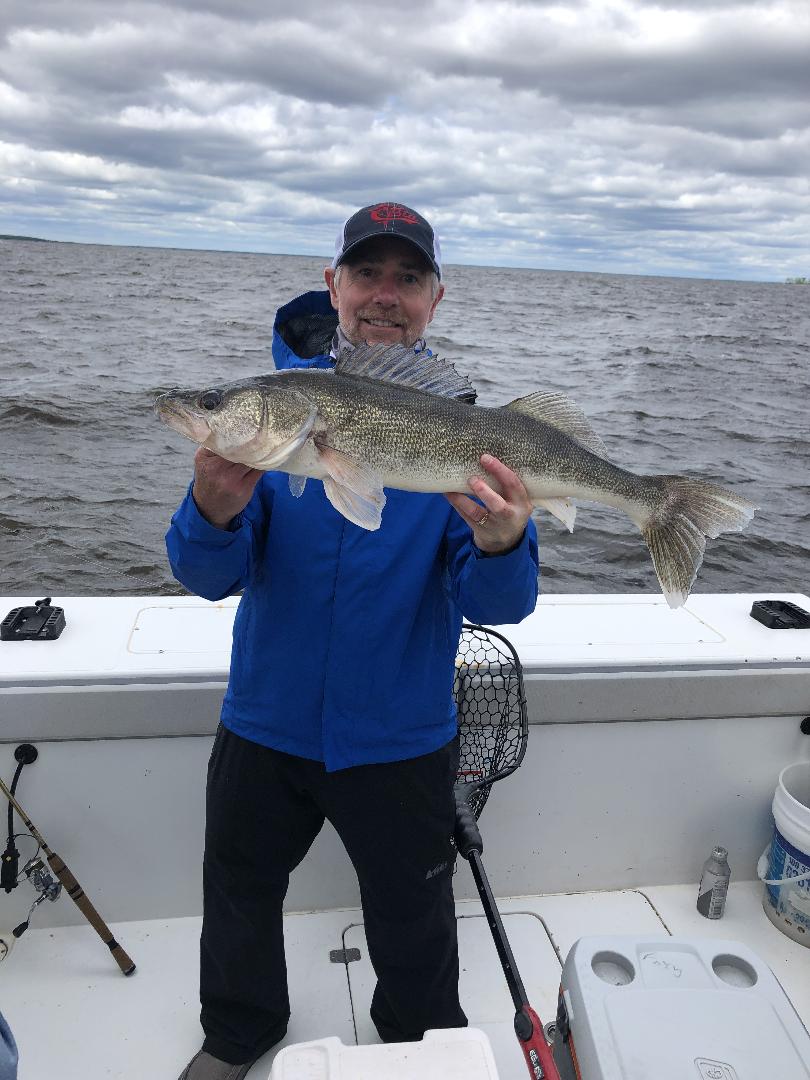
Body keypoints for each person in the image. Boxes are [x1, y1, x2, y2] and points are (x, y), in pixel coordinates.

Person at [168, 201, 540, 1080]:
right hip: (266, 721)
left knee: (413, 913)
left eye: (407, 277)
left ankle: (421, 1041)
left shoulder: (461, 439)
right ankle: (238, 1029)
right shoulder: (278, 422)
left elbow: (501, 601)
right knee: (239, 889)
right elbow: (207, 574)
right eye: (367, 273)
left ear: (436, 299)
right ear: (333, 286)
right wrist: (215, 505)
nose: (385, 294)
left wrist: (502, 539)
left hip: (402, 734)